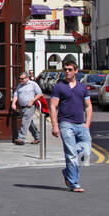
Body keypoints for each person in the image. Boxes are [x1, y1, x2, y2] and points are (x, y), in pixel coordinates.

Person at [51, 62, 91, 192]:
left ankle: (68, 172)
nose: (67, 72)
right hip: (66, 124)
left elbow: (88, 105)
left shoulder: (82, 87)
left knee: (85, 153)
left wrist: (87, 123)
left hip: (81, 124)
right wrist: (54, 125)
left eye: (70, 69)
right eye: (65, 70)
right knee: (71, 154)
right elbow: (53, 106)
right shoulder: (59, 87)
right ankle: (74, 183)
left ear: (76, 71)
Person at [13, 71, 42, 145]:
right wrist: (14, 103)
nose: (21, 80)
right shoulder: (20, 85)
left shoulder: (33, 84)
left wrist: (32, 101)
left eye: (22, 79)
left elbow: (40, 94)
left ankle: (21, 138)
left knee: (25, 121)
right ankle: (37, 137)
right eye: (20, 79)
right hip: (22, 106)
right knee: (29, 122)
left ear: (27, 78)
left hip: (30, 106)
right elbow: (16, 94)